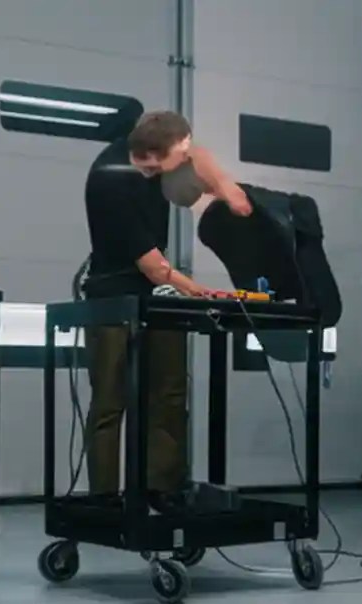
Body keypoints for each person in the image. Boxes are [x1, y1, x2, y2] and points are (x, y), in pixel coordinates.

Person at [81, 110, 248, 513]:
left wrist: (227, 189)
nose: (187, 157)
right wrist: (199, 292)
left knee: (169, 393)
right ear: (154, 155)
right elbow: (154, 267)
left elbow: (198, 156)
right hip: (113, 295)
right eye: (180, 153)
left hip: (157, 294)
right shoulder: (110, 180)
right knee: (110, 400)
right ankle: (104, 497)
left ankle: (164, 487)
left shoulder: (155, 158)